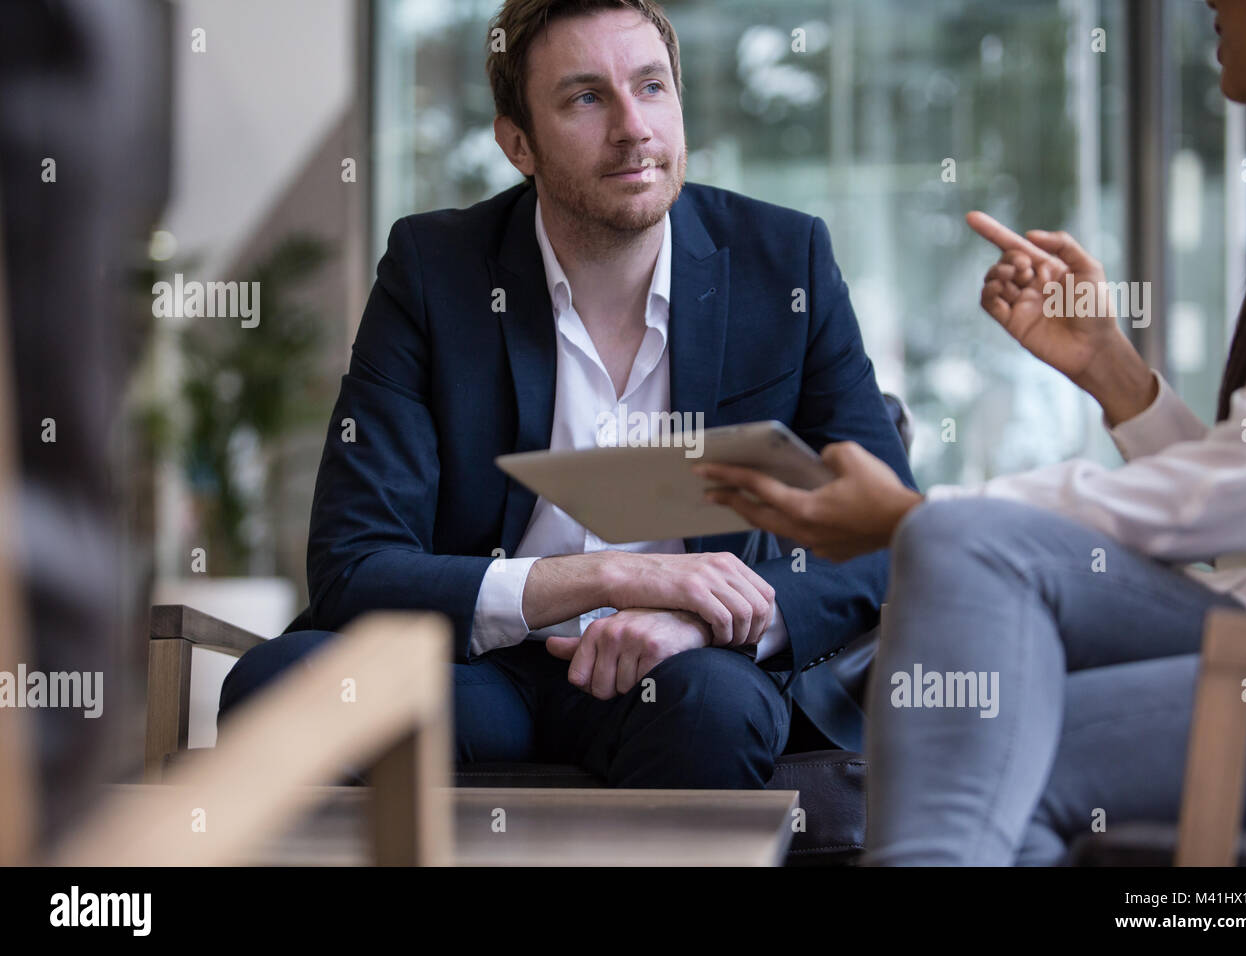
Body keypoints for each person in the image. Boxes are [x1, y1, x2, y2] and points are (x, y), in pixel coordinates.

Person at [217, 0, 914, 789]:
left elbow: (889, 534)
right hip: (476, 671)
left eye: (651, 87)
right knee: (275, 686)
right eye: (586, 98)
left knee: (715, 705)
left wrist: (697, 618)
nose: (632, 127)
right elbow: (354, 565)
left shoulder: (785, 262)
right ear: (518, 143)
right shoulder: (434, 269)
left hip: (681, 669)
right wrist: (612, 577)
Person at [697, 0, 1246, 862]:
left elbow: (1243, 497)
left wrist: (920, 518)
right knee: (985, 726)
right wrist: (1111, 372)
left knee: (989, 719)